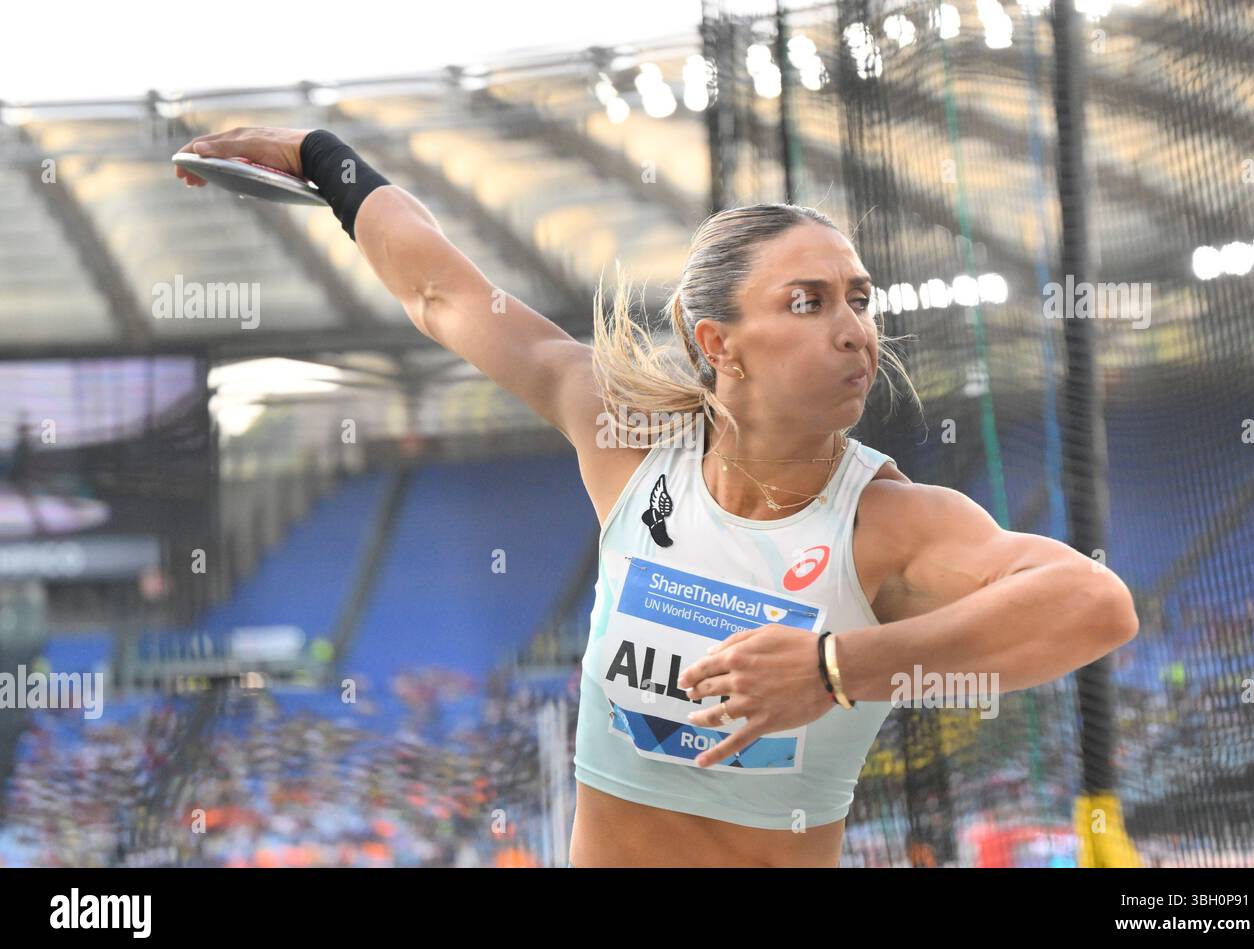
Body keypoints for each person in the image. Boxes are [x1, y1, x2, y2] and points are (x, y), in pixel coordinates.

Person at [175, 128, 1140, 868]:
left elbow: (1096, 604)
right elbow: (444, 295)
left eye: (860, 296)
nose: (854, 329)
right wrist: (325, 160)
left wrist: (837, 667)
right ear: (717, 344)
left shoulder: (891, 524)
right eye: (808, 302)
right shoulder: (628, 445)